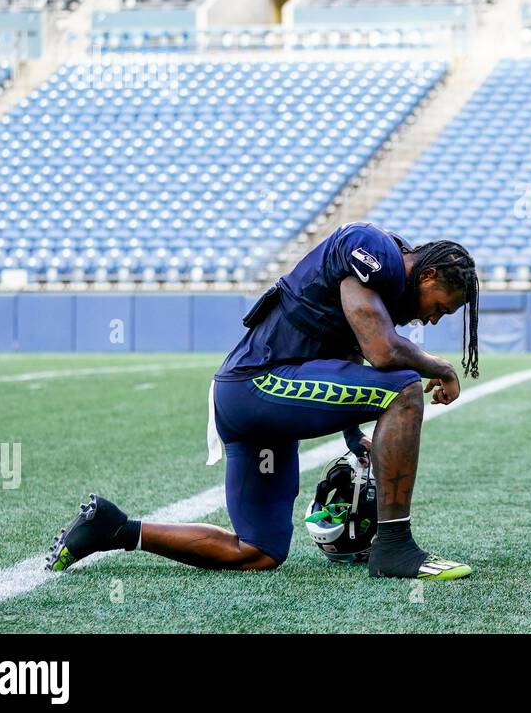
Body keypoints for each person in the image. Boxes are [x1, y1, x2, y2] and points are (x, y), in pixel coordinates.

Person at [45, 222, 479, 580]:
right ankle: (395, 546)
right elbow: (381, 351)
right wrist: (440, 367)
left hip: (252, 403)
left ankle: (115, 528)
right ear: (428, 276)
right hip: (259, 383)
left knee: (259, 550)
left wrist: (352, 433)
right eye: (441, 306)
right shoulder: (373, 249)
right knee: (405, 388)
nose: (433, 318)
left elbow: (348, 353)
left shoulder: (377, 281)